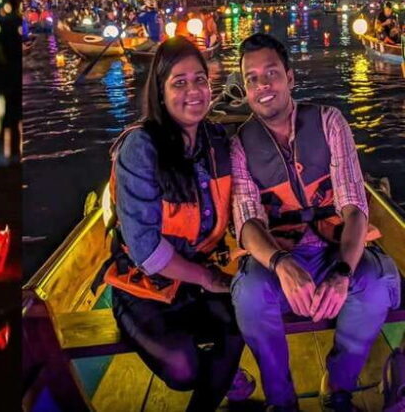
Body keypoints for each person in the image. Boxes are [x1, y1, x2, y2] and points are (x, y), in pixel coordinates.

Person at [230, 33, 400, 411]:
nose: (263, 86)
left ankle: (337, 385)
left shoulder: (329, 122)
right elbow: (247, 222)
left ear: (290, 78)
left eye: (271, 73)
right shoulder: (241, 144)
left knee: (374, 287)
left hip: (333, 248)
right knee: (250, 296)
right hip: (282, 253)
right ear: (245, 88)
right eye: (252, 78)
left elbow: (355, 207)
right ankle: (281, 398)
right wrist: (279, 262)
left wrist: (341, 272)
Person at [98, 37, 252, 411]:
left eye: (199, 79)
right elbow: (146, 250)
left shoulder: (216, 140)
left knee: (246, 320)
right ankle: (224, 376)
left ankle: (220, 380)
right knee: (182, 368)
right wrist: (208, 279)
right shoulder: (141, 148)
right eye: (179, 83)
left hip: (199, 277)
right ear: (160, 91)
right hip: (145, 287)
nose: (193, 91)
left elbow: (245, 200)